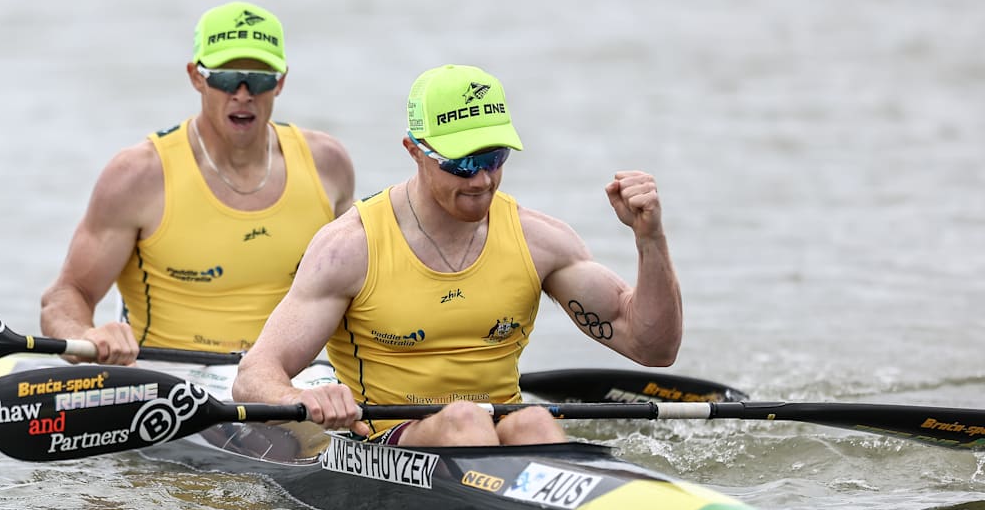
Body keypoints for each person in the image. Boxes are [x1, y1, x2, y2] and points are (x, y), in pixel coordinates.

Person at [232, 63, 682, 446]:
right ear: (414, 150)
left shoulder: (540, 241)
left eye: (494, 157)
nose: (482, 180)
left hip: (502, 431)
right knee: (464, 421)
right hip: (387, 440)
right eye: (462, 164)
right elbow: (254, 375)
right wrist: (305, 397)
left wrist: (650, 239)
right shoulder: (350, 248)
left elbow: (653, 348)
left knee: (535, 422)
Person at [40, 1, 355, 365]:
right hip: (174, 384)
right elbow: (67, 294)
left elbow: (359, 293)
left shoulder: (327, 165)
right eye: (224, 77)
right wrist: (86, 335)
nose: (242, 94)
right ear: (196, 77)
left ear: (280, 82)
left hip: (285, 381)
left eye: (259, 79)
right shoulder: (139, 175)